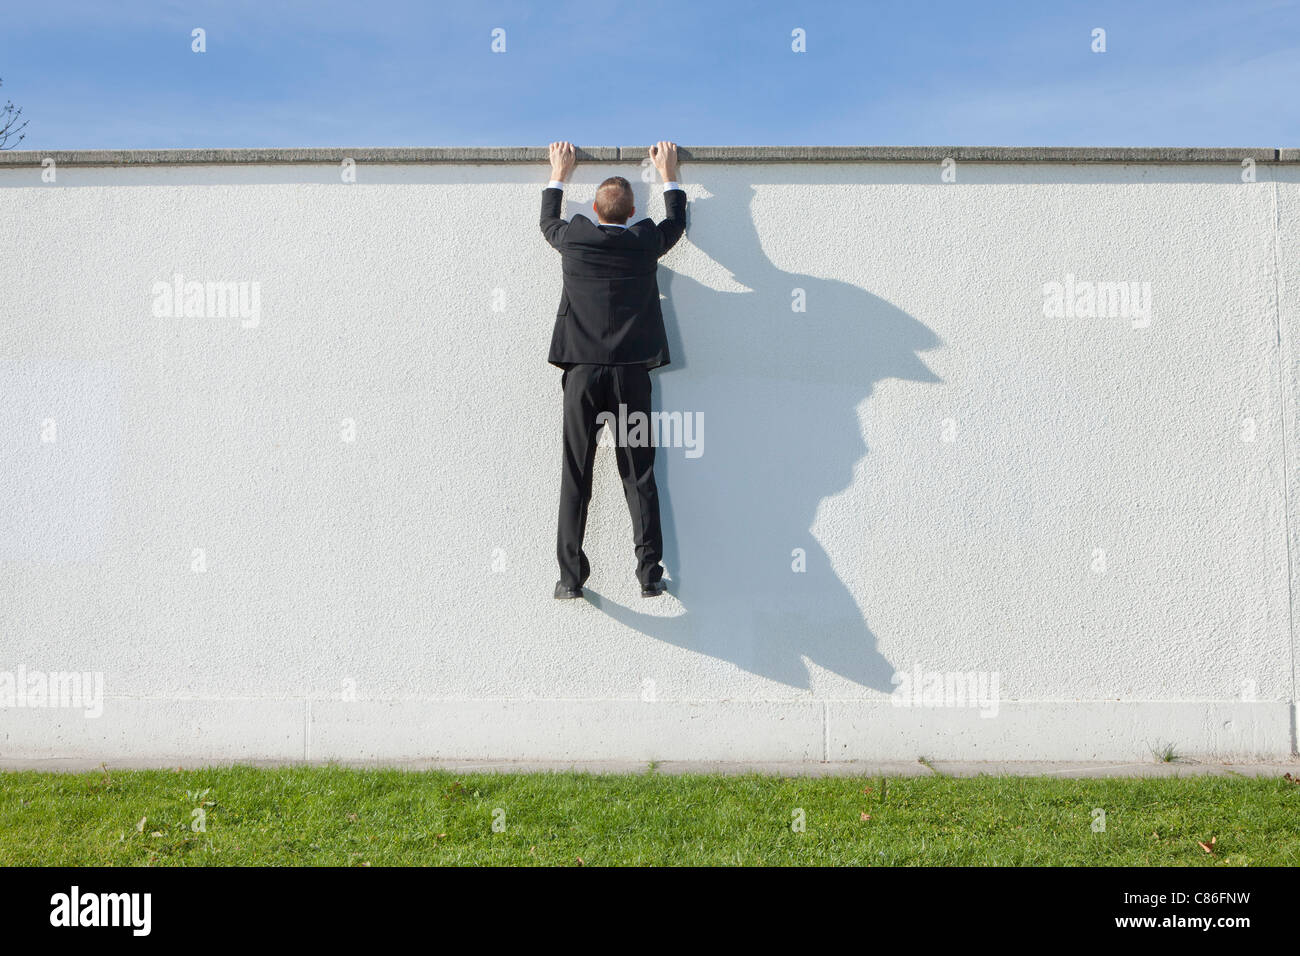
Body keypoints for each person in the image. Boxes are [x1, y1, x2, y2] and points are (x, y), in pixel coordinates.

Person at [540, 140, 687, 600]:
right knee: (638, 473)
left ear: (597, 211)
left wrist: (559, 172)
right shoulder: (644, 244)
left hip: (582, 373)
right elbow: (675, 223)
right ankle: (648, 576)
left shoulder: (575, 240)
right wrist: (669, 173)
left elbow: (548, 221)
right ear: (629, 214)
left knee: (575, 473)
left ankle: (570, 579)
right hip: (629, 377)